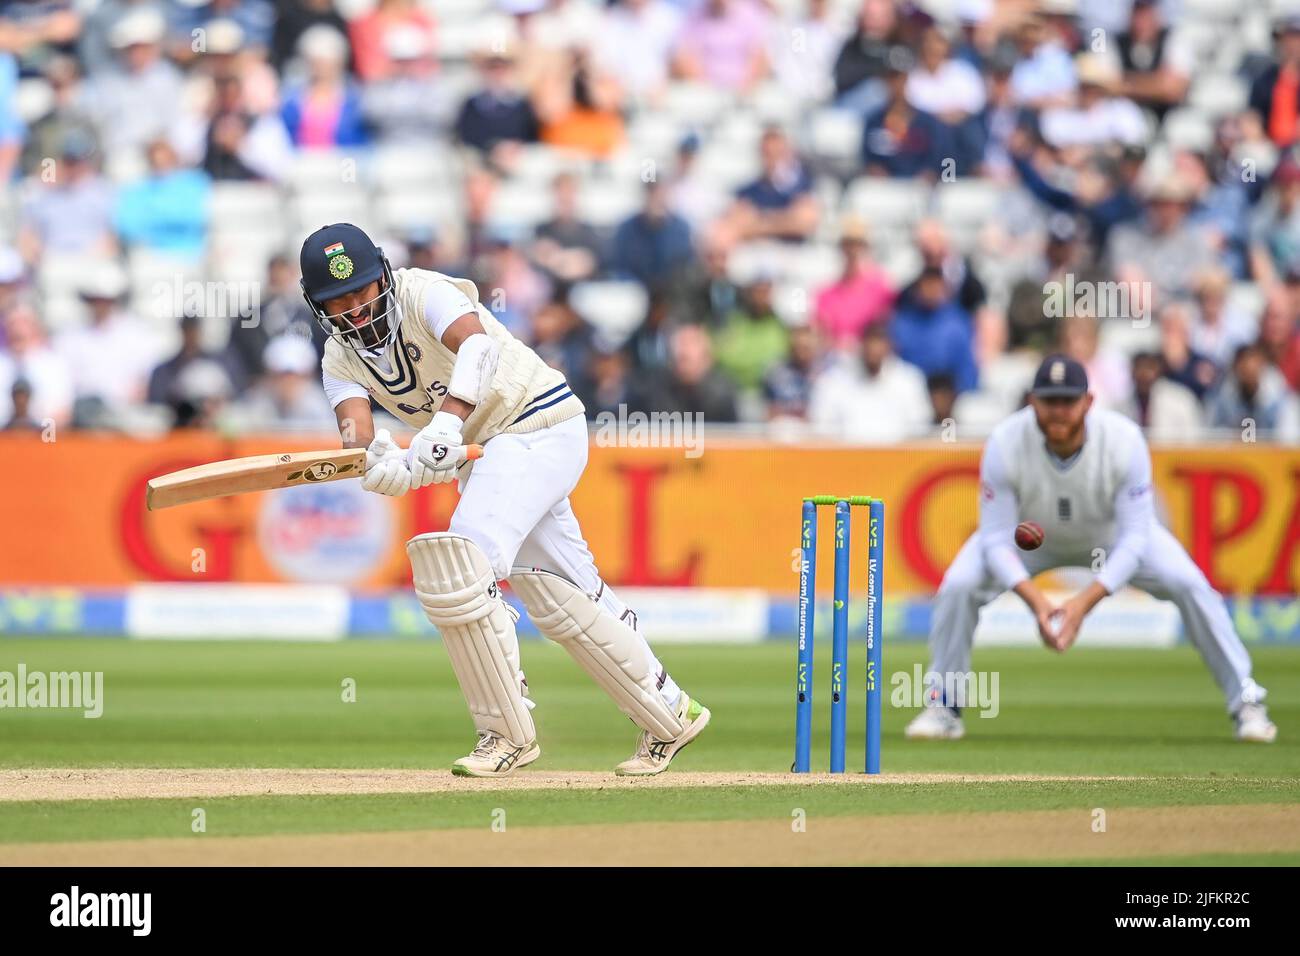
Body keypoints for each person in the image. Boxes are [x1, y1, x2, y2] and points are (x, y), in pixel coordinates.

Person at [301, 222, 710, 777]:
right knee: (560, 593)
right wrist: (380, 461)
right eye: (337, 302)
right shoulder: (338, 360)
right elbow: (356, 434)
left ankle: (505, 735)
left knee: (459, 566)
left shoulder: (426, 293)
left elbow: (476, 346)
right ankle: (670, 713)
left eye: (361, 291)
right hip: (492, 450)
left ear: (384, 277)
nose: (354, 310)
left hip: (536, 422)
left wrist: (447, 423)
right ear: (317, 306)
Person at [905, 354, 1277, 744]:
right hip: (1030, 540)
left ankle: (1247, 703)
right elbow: (996, 539)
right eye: (1050, 401)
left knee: (1190, 584)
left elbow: (1136, 537)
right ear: (1033, 401)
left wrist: (1081, 605)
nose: (1059, 412)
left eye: (1069, 401)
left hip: (1112, 538)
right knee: (959, 585)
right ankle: (944, 705)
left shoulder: (1123, 440)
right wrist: (1038, 603)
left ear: (1089, 402)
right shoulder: (1005, 441)